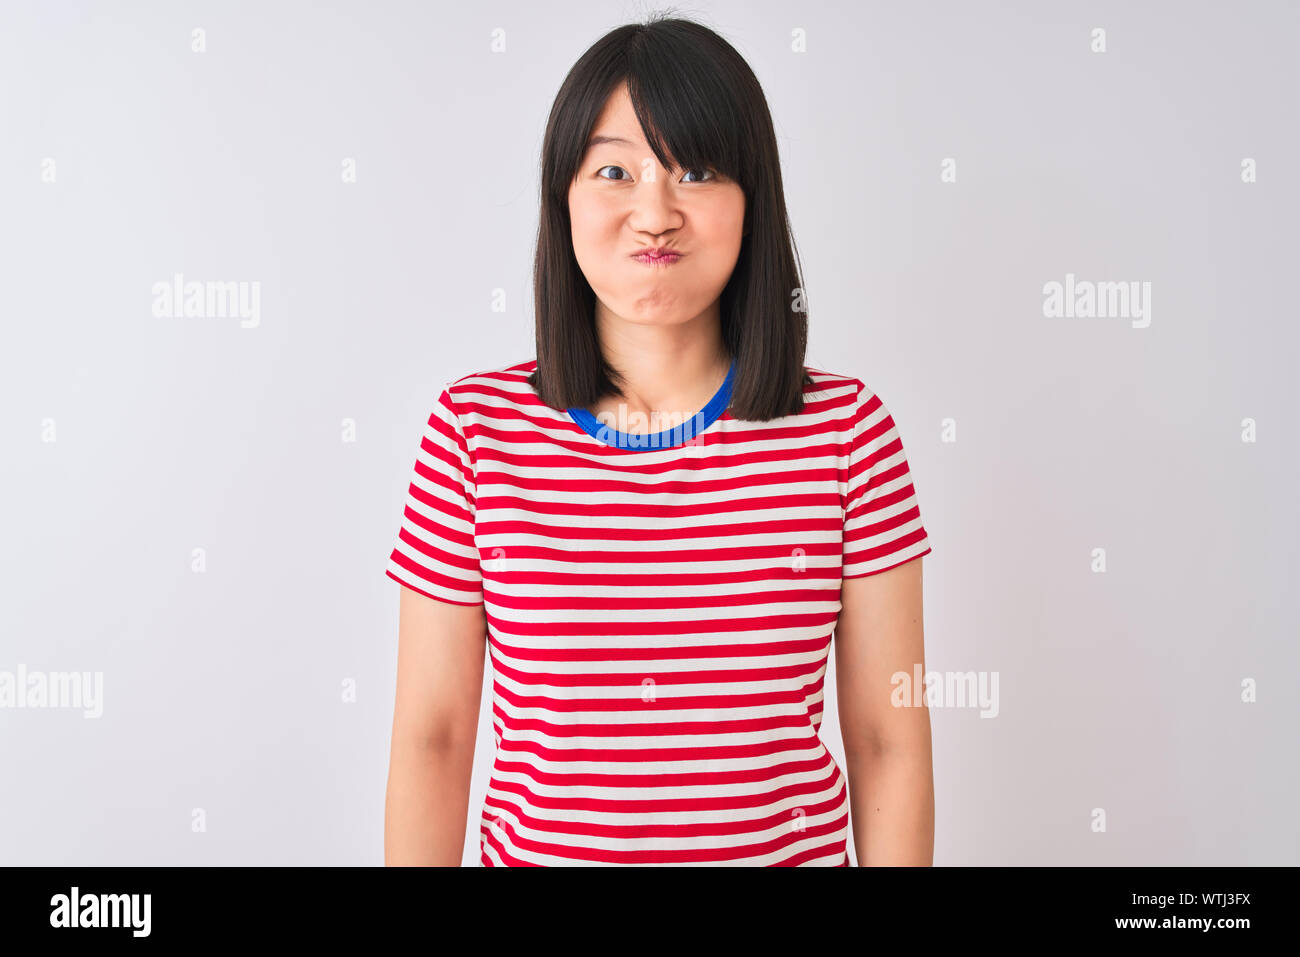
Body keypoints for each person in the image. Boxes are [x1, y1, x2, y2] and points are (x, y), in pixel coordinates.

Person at [383, 15, 934, 866]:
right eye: (614, 170)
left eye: (698, 170)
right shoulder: (474, 432)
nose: (655, 212)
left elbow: (886, 739)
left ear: (754, 200)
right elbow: (435, 735)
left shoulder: (846, 434)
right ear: (562, 196)